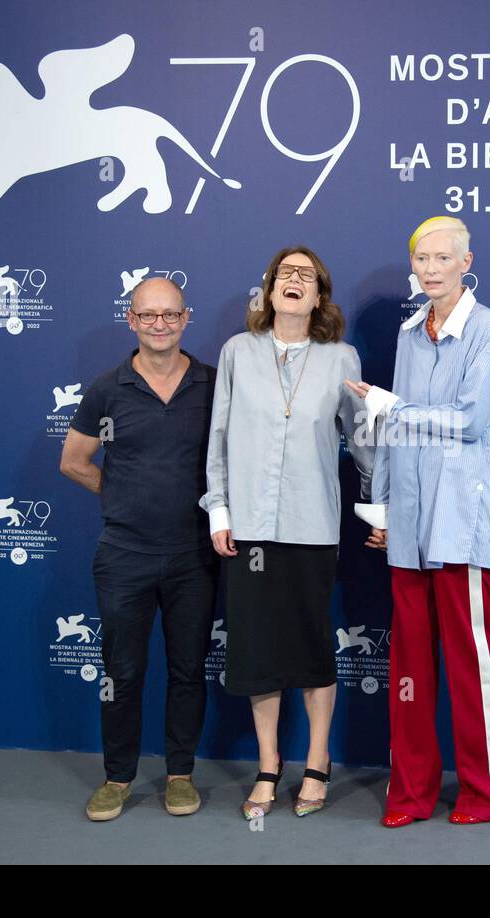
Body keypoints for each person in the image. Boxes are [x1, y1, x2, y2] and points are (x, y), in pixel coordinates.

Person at [346, 215, 490, 827]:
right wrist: (388, 508)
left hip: (464, 527)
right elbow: (394, 432)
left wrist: (393, 405)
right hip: (412, 527)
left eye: (443, 258)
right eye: (422, 258)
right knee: (409, 670)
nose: (430, 268)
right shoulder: (408, 333)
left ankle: (486, 792)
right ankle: (412, 793)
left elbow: (470, 421)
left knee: (472, 664)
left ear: (466, 264)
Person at [201, 246, 372, 820]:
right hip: (248, 525)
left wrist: (382, 503)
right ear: (269, 289)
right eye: (285, 274)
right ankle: (270, 765)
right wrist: (219, 511)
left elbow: (364, 444)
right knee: (256, 650)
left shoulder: (341, 358)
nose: (294, 282)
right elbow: (219, 436)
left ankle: (317, 762)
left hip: (312, 525)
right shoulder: (237, 352)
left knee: (312, 645)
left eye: (307, 276)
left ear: (319, 295)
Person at [60, 277, 218, 822]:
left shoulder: (212, 384)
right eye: (148, 315)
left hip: (194, 555)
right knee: (122, 672)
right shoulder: (107, 390)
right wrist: (121, 493)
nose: (159, 324)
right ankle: (117, 777)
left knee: (187, 670)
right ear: (131, 320)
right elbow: (74, 461)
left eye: (170, 315)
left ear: (185, 318)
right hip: (124, 555)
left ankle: (180, 775)